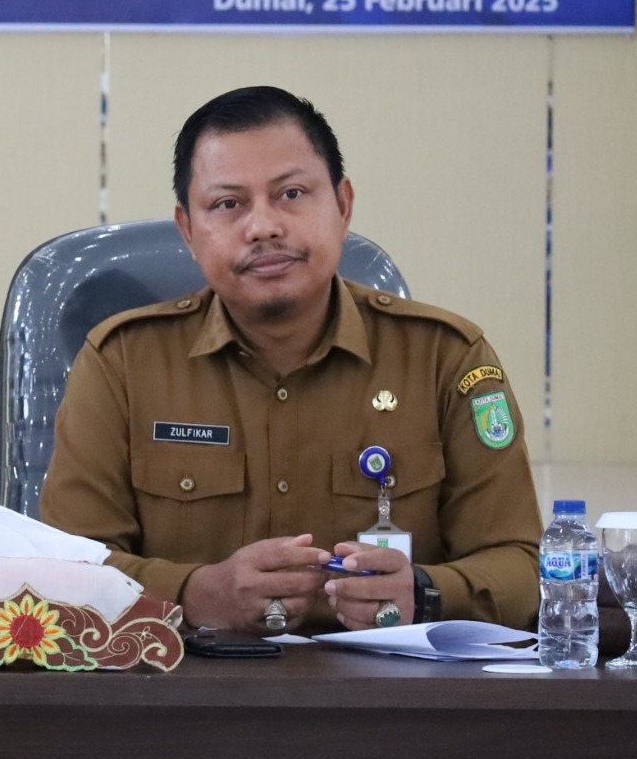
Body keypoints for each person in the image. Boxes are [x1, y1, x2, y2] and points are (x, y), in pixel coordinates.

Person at [38, 85, 543, 635]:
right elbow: (61, 571)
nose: (263, 226)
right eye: (228, 204)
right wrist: (194, 594)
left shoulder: (446, 358)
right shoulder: (122, 364)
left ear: (343, 206)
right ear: (188, 230)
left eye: (292, 193)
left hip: (392, 706)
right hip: (184, 705)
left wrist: (425, 593)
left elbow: (524, 567)